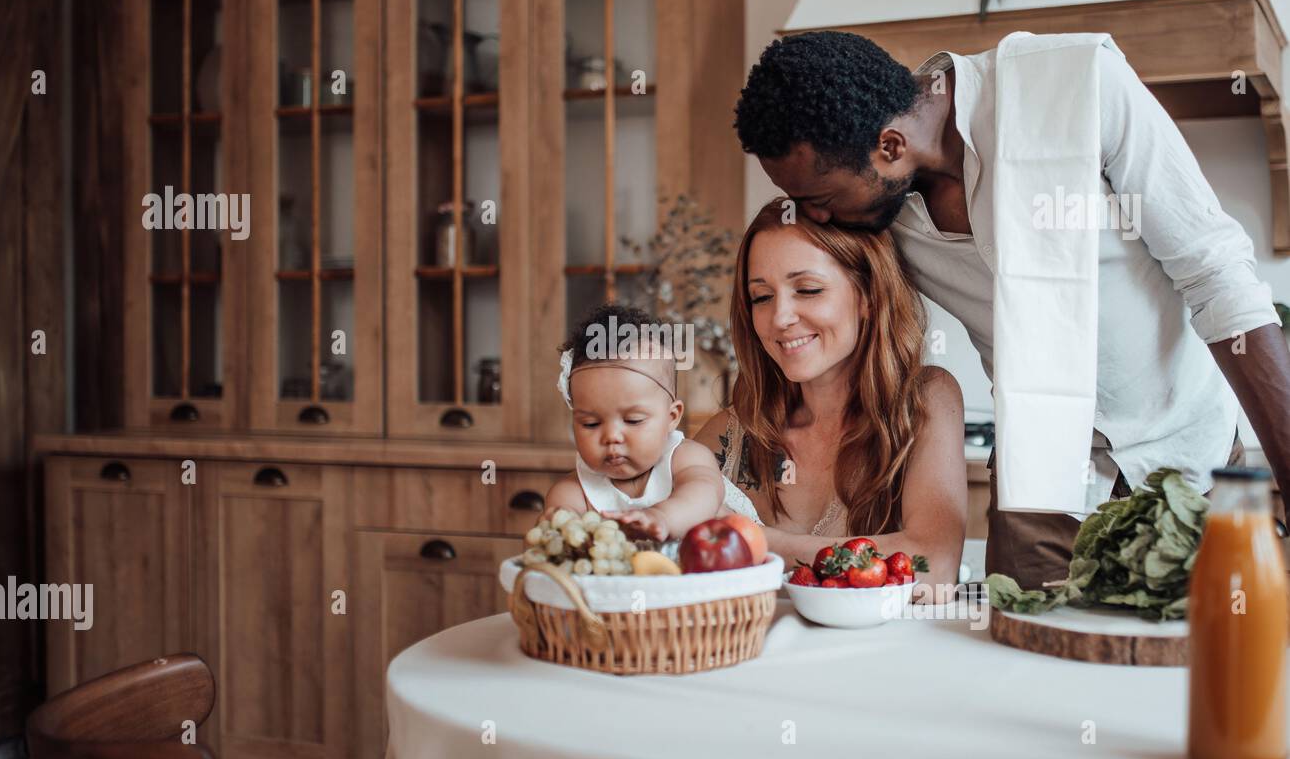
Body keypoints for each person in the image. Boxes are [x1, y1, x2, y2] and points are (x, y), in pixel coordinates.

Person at [733, 30, 1290, 589]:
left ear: (891, 146)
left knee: (1195, 660)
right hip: (1037, 485)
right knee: (1027, 663)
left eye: (821, 201)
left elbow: (1218, 275)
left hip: (1185, 460)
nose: (818, 219)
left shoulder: (1077, 85)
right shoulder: (879, 213)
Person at [694, 199, 966, 601]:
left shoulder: (927, 400)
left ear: (867, 295)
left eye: (808, 289)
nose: (780, 317)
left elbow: (934, 568)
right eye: (761, 297)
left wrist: (761, 542)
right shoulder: (730, 433)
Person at [543, 303, 761, 543]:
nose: (612, 436)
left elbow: (703, 494)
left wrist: (662, 518)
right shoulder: (573, 492)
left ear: (671, 417)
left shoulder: (686, 459)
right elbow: (549, 546)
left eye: (633, 420)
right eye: (591, 424)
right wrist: (555, 531)